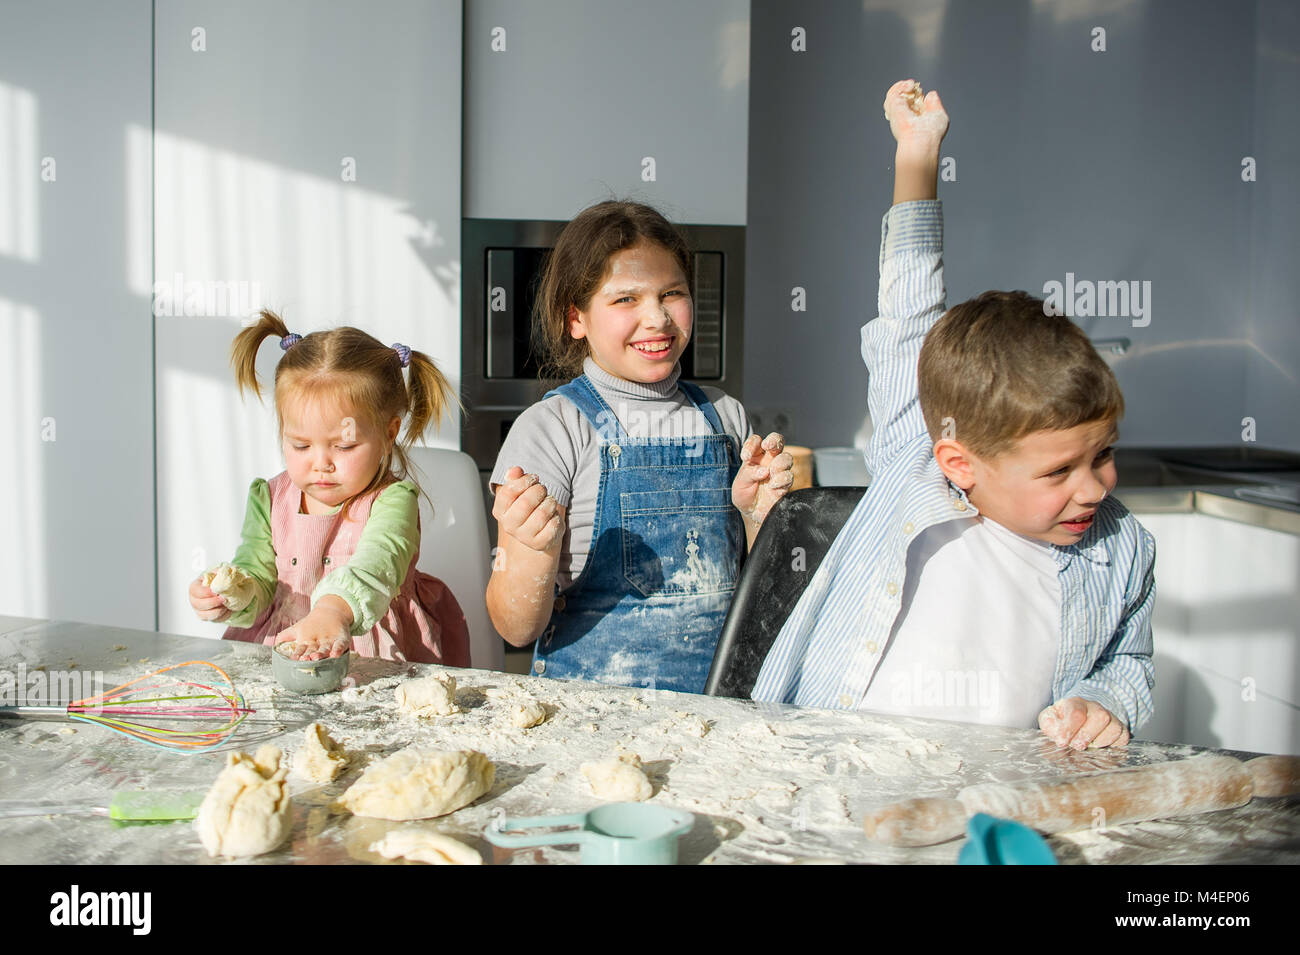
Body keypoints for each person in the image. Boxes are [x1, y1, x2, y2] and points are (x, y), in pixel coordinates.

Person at [752, 81, 1155, 750]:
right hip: (834, 771)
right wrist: (918, 156)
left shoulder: (1123, 551)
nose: (1095, 487)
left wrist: (1105, 700)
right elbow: (910, 309)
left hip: (991, 806)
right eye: (1059, 470)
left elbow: (1129, 663)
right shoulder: (916, 456)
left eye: (1102, 453)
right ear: (959, 461)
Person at [488, 200, 793, 693]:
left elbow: (763, 601)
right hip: (591, 716)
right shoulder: (552, 430)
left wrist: (759, 518)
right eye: (625, 299)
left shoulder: (726, 417)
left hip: (720, 711)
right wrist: (537, 552)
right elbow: (515, 628)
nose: (656, 318)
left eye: (671, 293)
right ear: (576, 320)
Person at [188, 308, 471, 666]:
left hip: (373, 653)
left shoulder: (392, 501)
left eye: (344, 446)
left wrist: (333, 611)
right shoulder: (269, 498)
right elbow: (257, 574)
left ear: (389, 432)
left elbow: (376, 566)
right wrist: (234, 597)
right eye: (301, 445)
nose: (321, 462)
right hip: (283, 646)